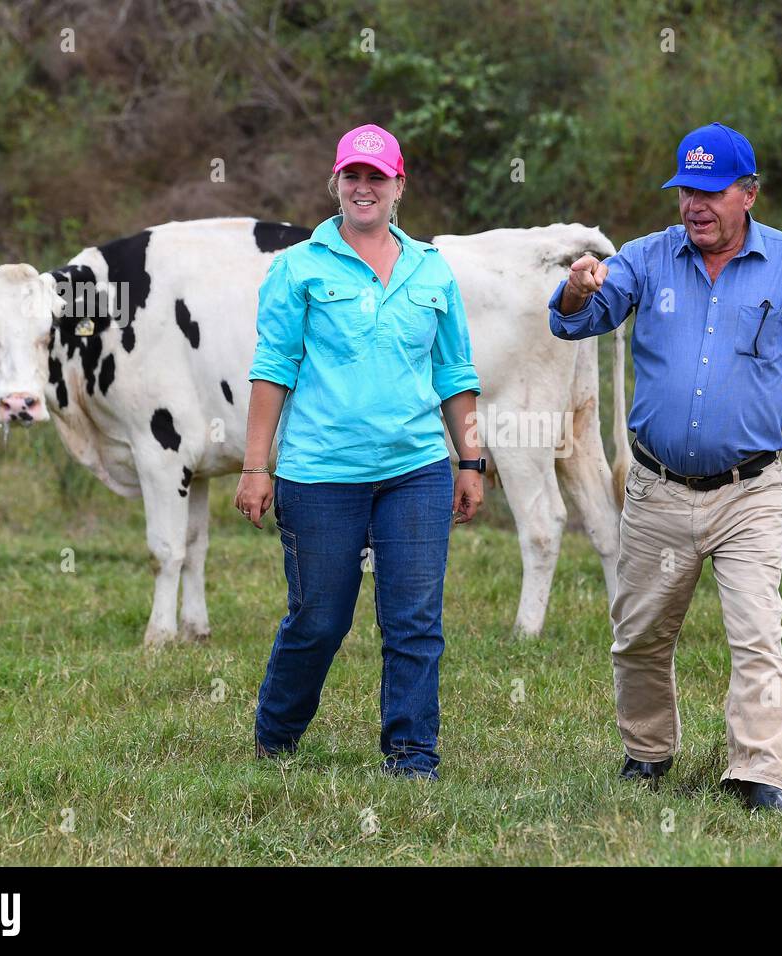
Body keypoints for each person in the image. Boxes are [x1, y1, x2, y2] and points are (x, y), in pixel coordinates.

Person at [548, 122, 782, 811]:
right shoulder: (643, 258)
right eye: (687, 190)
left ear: (749, 194)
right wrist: (575, 288)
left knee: (756, 635)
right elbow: (578, 320)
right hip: (656, 490)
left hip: (749, 491)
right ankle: (647, 755)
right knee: (639, 637)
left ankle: (760, 773)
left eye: (712, 192)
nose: (696, 205)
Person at [236, 123, 486, 779]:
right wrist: (255, 467)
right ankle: (276, 734)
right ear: (337, 184)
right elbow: (273, 369)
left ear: (399, 185)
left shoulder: (432, 269)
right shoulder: (298, 267)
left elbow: (455, 374)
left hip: (415, 471)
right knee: (319, 619)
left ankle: (412, 756)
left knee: (414, 621)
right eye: (354, 176)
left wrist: (470, 461)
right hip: (320, 474)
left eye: (378, 177)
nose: (364, 188)